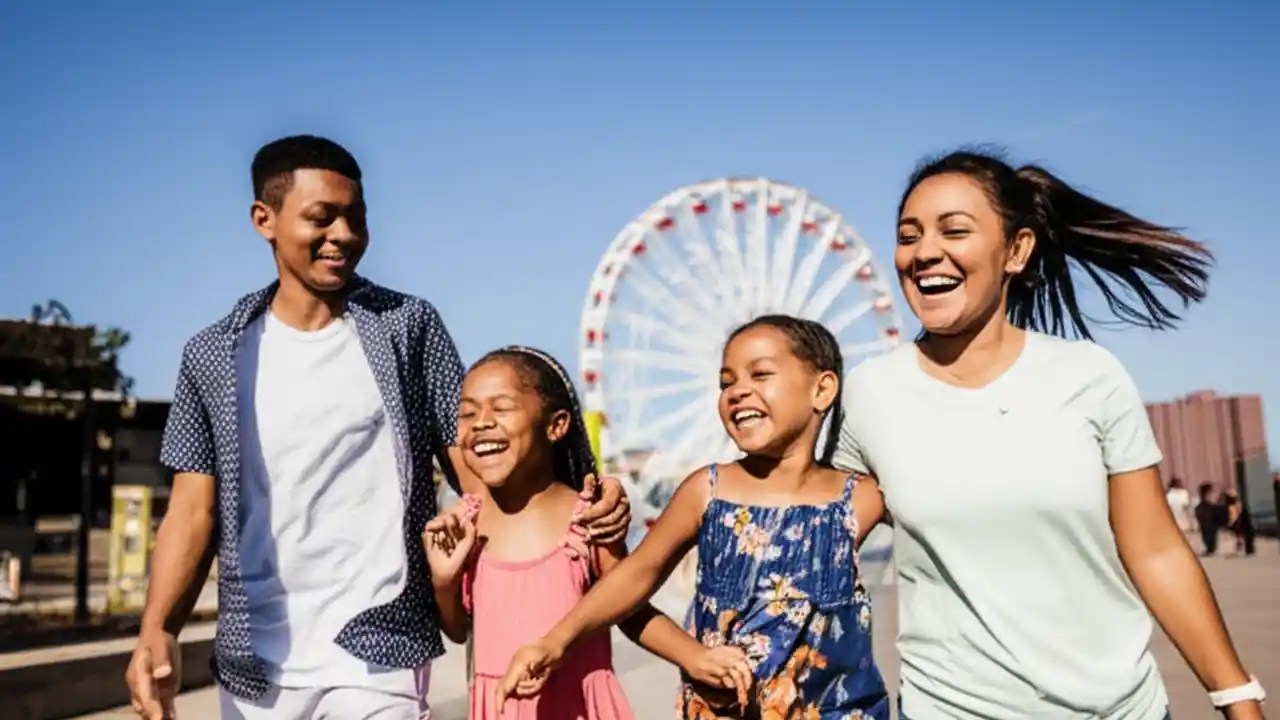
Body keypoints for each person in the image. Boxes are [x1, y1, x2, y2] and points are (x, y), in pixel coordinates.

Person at [123, 135, 632, 720]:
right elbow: (192, 509)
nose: (344, 234)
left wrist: (585, 505)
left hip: (379, 646)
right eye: (322, 217)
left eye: (356, 218)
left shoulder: (408, 328)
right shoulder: (213, 354)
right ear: (264, 219)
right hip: (254, 659)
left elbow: (480, 464)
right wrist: (156, 628)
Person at [835, 148, 1266, 719]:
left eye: (954, 230)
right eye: (908, 235)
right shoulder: (869, 394)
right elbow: (819, 540)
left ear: (1016, 250)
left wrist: (1236, 696)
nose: (925, 253)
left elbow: (1156, 550)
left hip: (1120, 710)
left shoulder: (1091, 376)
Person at [498, 316, 890, 719]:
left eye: (760, 374)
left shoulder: (860, 498)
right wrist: (556, 641)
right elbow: (635, 576)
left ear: (822, 389)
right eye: (726, 383)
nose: (738, 392)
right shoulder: (707, 491)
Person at [423, 346, 726, 719]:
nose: (480, 422)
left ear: (556, 425)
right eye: (467, 413)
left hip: (581, 706)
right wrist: (443, 580)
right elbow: (457, 630)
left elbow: (629, 608)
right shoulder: (468, 522)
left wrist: (695, 658)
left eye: (501, 408)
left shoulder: (588, 518)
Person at [1196, 482, 1223, 557]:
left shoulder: (1205, 497)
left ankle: (1210, 548)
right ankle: (1210, 548)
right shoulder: (1207, 496)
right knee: (1209, 532)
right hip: (1208, 512)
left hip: (1207, 513)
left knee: (1208, 532)